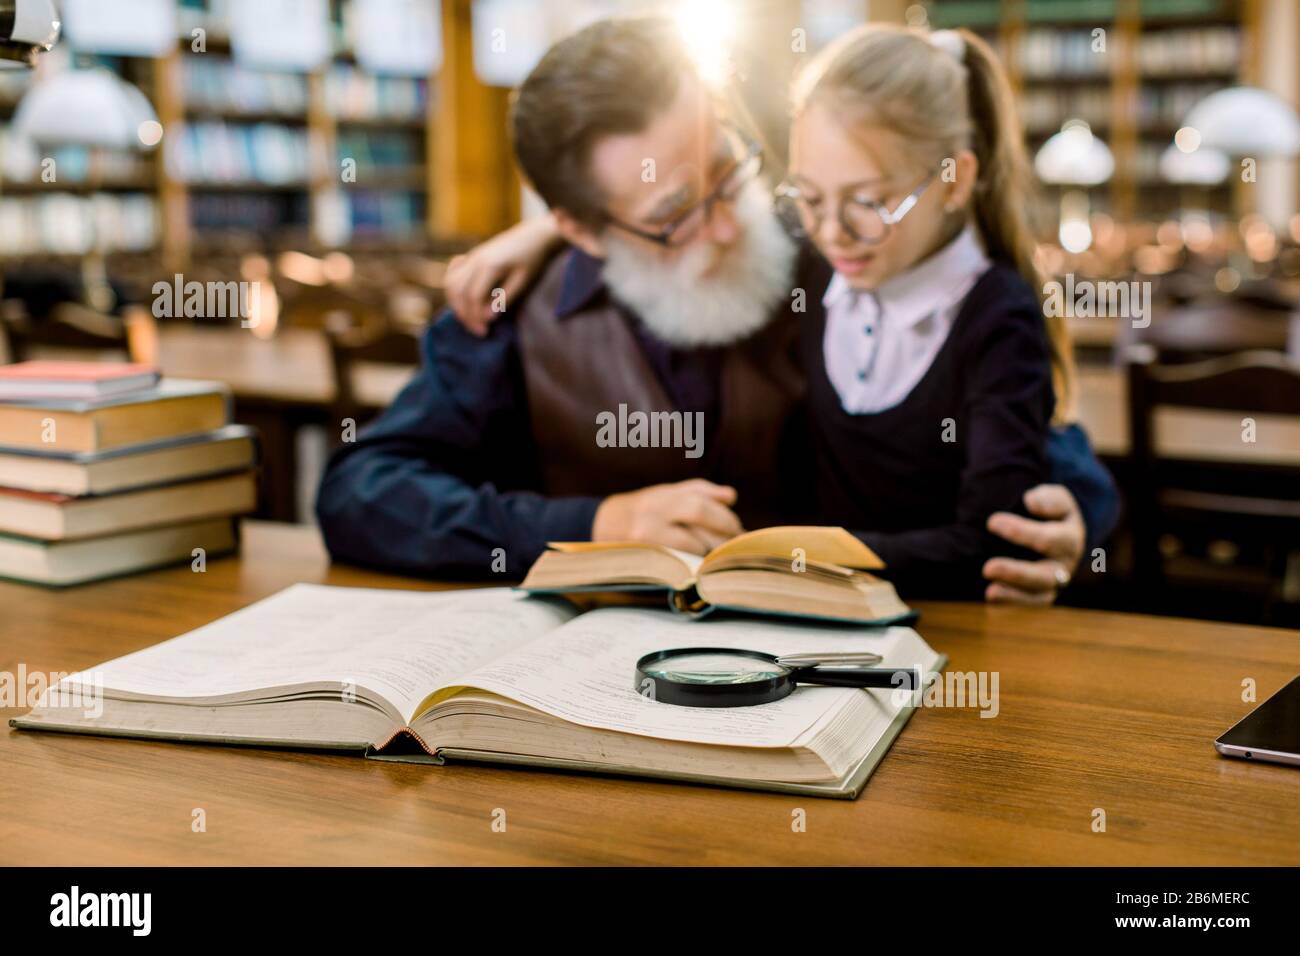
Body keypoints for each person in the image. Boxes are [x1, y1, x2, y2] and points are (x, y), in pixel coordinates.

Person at [318, 17, 1117, 602]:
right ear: (580, 228)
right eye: (676, 214)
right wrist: (598, 523)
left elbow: (1025, 423)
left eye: (729, 169)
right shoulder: (515, 314)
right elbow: (360, 494)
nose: (733, 225)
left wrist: (1070, 515)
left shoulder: (823, 256)